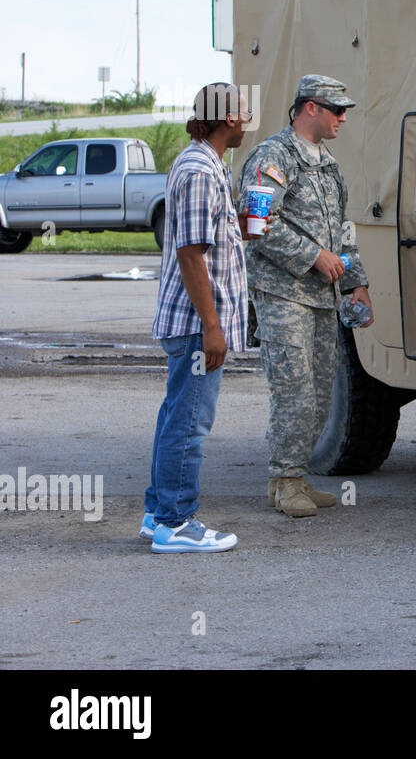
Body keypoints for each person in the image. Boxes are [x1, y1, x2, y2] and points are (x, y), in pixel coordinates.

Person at [239, 74, 372, 518]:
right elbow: (255, 225)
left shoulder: (327, 163)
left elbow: (343, 231)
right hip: (282, 296)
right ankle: (286, 479)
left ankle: (291, 479)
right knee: (293, 391)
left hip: (322, 299)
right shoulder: (273, 157)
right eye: (337, 109)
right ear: (310, 108)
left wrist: (356, 284)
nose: (343, 117)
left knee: (318, 394)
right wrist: (314, 256)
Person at [144, 82, 252, 553]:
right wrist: (213, 327)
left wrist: (242, 226)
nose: (247, 120)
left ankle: (157, 514)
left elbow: (203, 240)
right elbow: (191, 254)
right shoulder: (200, 170)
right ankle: (175, 523)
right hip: (194, 326)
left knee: (177, 417)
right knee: (189, 422)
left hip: (194, 323)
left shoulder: (207, 165)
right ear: (228, 118)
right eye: (244, 112)